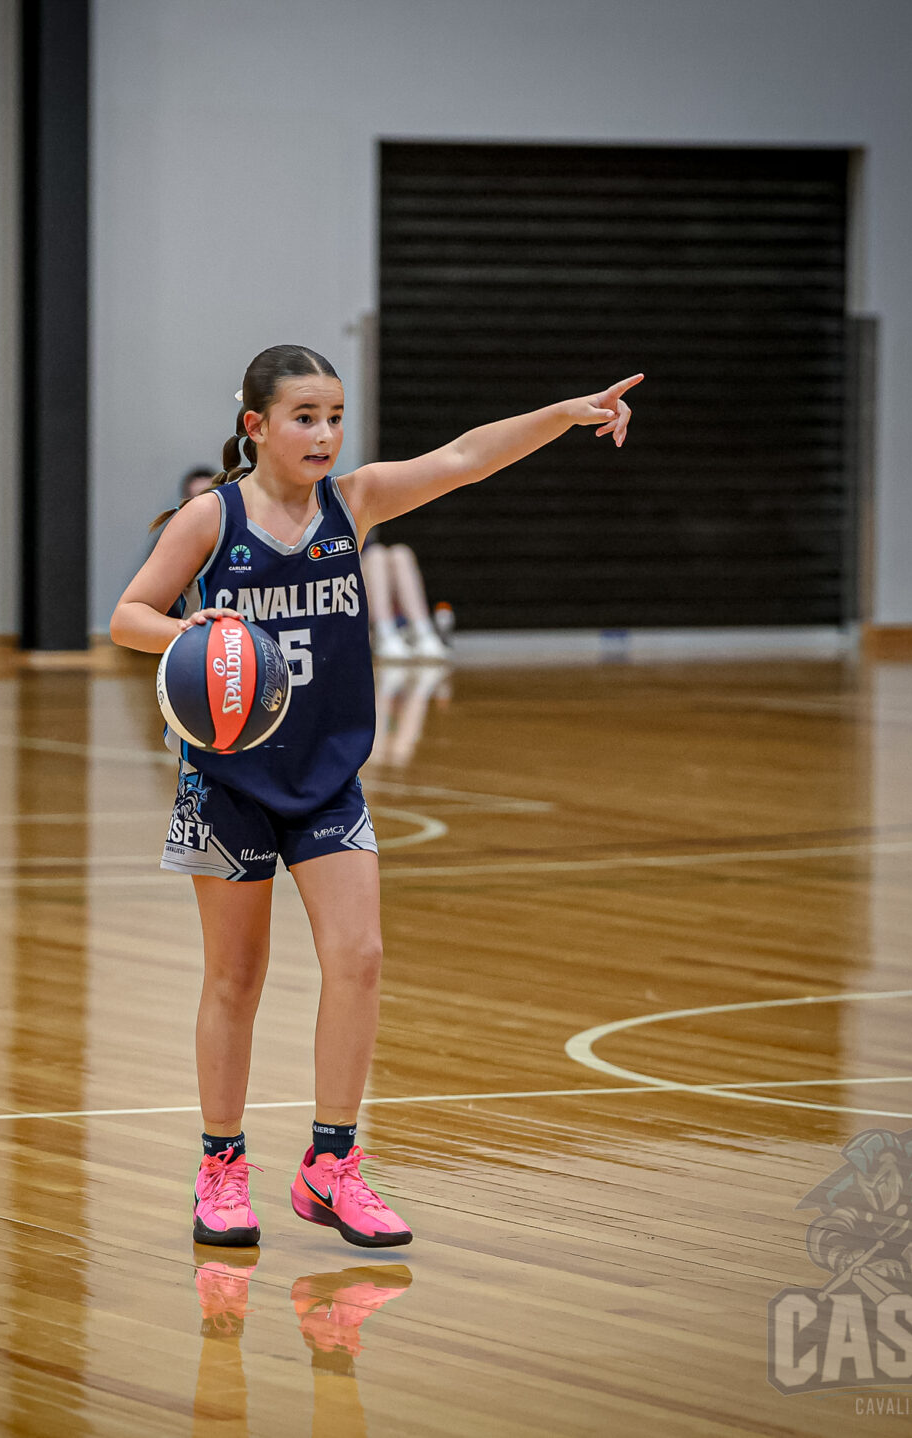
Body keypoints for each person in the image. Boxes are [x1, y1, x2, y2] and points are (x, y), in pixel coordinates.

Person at [110, 344, 640, 1250]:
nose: (324, 434)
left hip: (326, 774)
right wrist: (185, 630)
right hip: (229, 777)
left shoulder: (352, 504)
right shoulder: (213, 518)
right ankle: (222, 1168)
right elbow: (127, 616)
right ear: (258, 427)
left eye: (335, 417)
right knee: (235, 979)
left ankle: (331, 1168)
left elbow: (465, 457)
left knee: (359, 957)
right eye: (304, 418)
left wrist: (561, 414)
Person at [361, 534, 448, 660]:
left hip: (383, 597)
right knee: (376, 555)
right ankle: (383, 633)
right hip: (353, 594)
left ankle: (422, 631)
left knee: (401, 553)